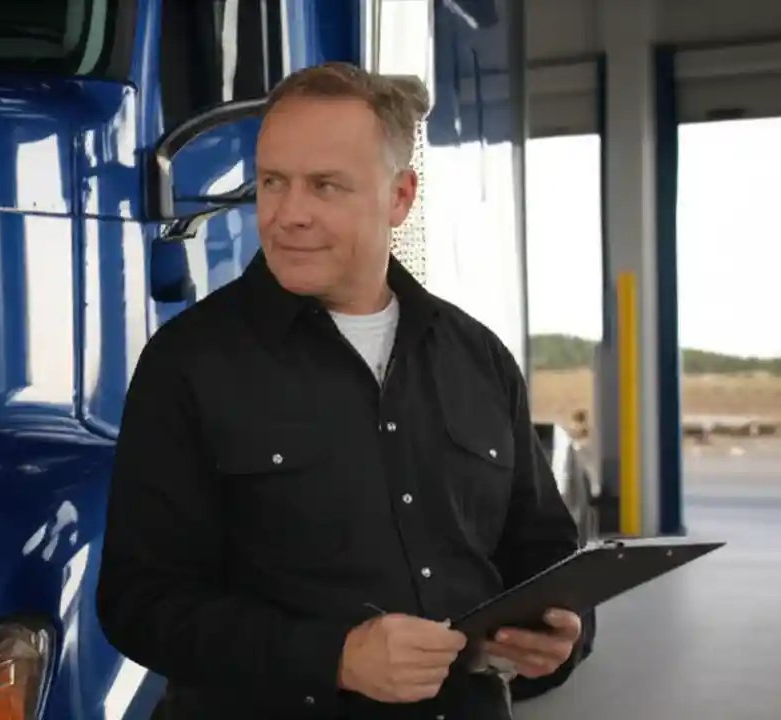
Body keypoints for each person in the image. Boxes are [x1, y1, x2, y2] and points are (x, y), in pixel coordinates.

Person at [96, 62, 591, 719]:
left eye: (325, 186)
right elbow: (139, 603)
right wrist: (335, 657)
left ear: (400, 197)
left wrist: (563, 633)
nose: (289, 215)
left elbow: (544, 551)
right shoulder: (188, 363)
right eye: (272, 182)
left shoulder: (479, 359)